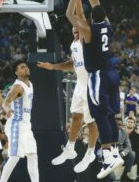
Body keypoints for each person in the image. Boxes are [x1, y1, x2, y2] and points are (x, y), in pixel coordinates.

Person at [67, 0, 123, 179]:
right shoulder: (107, 24)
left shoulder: (88, 31)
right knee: (110, 115)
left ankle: (108, 156)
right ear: (104, 15)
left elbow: (70, 15)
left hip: (98, 76)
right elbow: (96, 3)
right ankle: (115, 152)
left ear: (91, 17)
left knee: (100, 116)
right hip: (112, 73)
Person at [37, 24, 98, 172]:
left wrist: (76, 0)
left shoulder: (88, 42)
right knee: (75, 118)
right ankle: (70, 148)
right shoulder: (74, 45)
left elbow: (80, 18)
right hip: (80, 84)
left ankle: (90, 152)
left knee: (90, 122)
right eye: (74, 31)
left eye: (78, 30)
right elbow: (72, 64)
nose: (76, 32)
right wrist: (52, 67)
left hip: (91, 84)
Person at [0, 60, 39, 182]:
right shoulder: (17, 87)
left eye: (26, 66)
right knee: (15, 157)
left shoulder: (30, 84)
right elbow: (5, 103)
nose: (26, 68)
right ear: (17, 72)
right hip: (16, 124)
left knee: (32, 155)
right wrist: (7, 110)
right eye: (22, 67)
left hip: (26, 126)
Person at [125, 117, 139, 181]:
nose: (130, 123)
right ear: (126, 123)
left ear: (134, 124)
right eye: (129, 122)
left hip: (133, 158)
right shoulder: (120, 133)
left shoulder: (138, 136)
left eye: (132, 122)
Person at [116, 116, 135, 182]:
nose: (119, 126)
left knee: (132, 153)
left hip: (120, 152)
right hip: (109, 152)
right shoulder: (108, 131)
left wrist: (123, 153)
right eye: (117, 124)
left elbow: (128, 146)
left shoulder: (124, 132)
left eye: (120, 124)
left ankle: (125, 175)